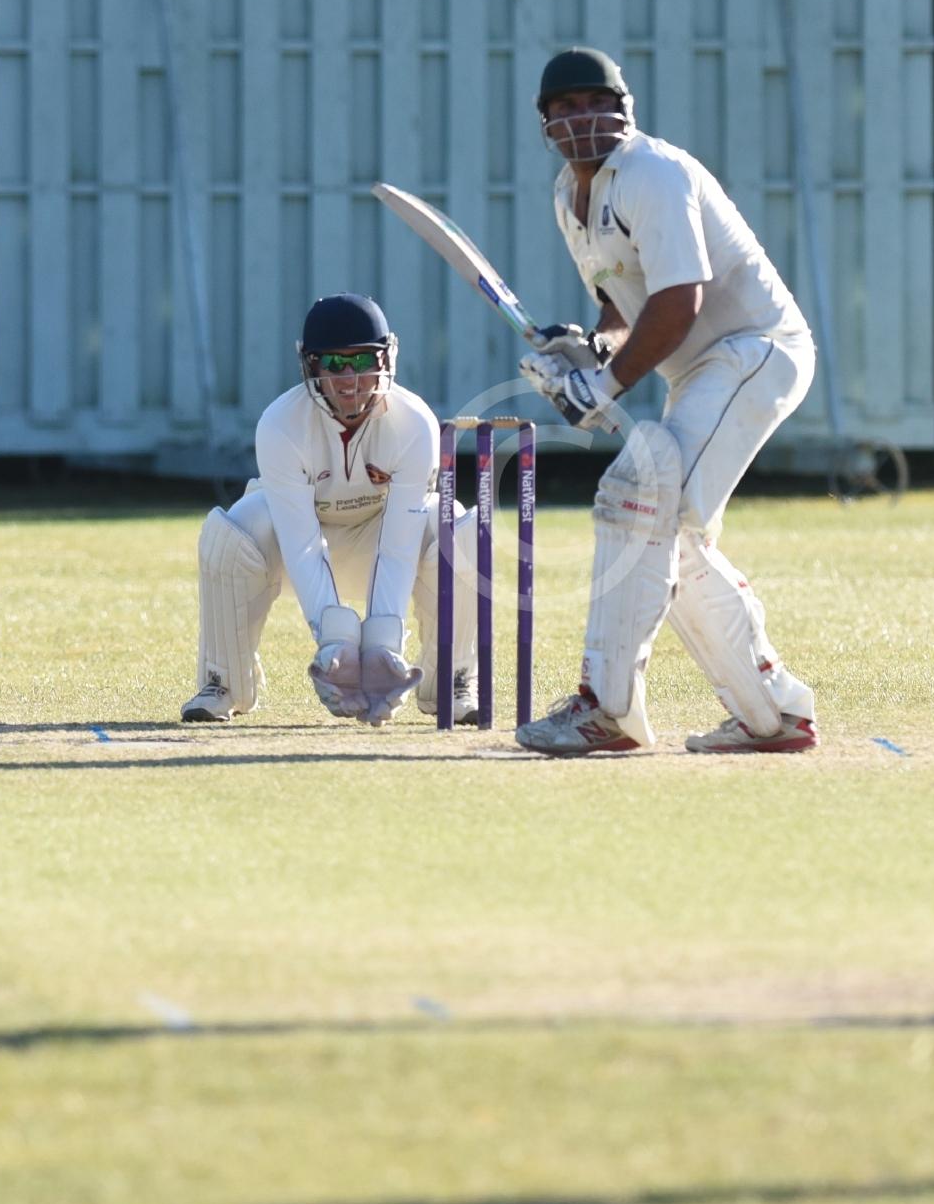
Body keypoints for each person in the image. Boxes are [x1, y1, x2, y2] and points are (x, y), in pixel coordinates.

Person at [511, 47, 822, 758]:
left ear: (626, 109)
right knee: (669, 530)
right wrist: (589, 349)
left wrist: (607, 384)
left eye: (597, 102)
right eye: (566, 107)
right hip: (699, 370)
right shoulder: (569, 197)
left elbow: (682, 299)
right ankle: (770, 713)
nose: (583, 117)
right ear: (545, 122)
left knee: (638, 498)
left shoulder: (656, 172)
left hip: (754, 349)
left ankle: (607, 708)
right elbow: (625, 305)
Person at [181, 293, 481, 727]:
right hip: (299, 547)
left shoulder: (414, 423)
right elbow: (301, 546)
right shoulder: (280, 424)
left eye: (362, 362)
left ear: (386, 359)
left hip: (382, 541)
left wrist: (382, 646)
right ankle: (222, 683)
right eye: (334, 365)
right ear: (310, 366)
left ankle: (451, 682)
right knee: (235, 532)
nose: (349, 380)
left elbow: (400, 546)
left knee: (457, 529)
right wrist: (335, 645)